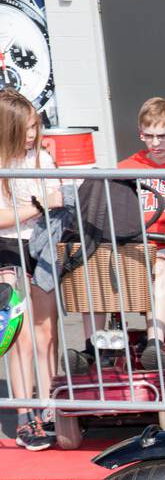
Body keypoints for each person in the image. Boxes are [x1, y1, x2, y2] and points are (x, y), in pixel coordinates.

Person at [0, 89, 64, 450]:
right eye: (24, 128)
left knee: (46, 332)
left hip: (43, 246)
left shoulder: (42, 156)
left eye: (35, 126)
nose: (31, 134)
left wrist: (43, 204)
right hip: (8, 249)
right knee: (19, 335)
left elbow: (58, 199)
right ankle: (24, 414)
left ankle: (50, 405)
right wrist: (39, 204)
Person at [117, 97, 165, 371]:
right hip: (137, 250)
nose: (156, 144)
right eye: (149, 136)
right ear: (140, 133)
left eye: (163, 136)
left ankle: (154, 344)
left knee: (159, 266)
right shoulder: (127, 168)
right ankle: (97, 347)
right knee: (96, 266)